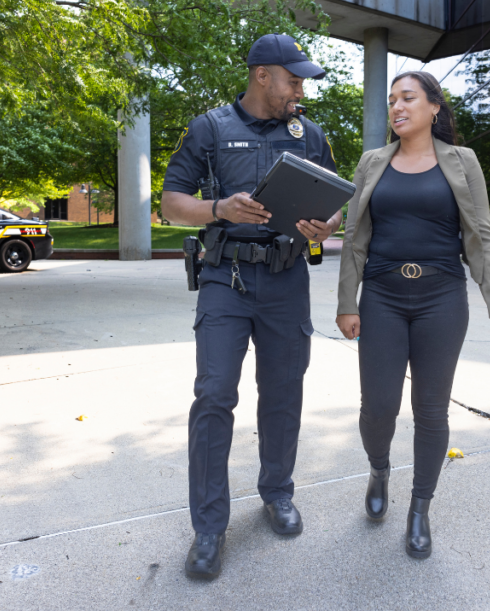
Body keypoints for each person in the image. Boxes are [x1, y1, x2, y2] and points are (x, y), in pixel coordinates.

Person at [161, 33, 343, 579]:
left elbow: (334, 206)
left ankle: (277, 493)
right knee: (214, 395)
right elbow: (172, 204)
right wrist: (219, 207)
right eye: (293, 79)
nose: (300, 88)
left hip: (288, 279)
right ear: (262, 75)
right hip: (226, 278)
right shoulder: (210, 127)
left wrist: (323, 227)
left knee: (284, 393)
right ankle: (209, 527)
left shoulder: (308, 132)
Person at [335, 70, 490, 559]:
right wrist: (346, 303)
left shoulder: (463, 162)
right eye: (392, 99)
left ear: (435, 107)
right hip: (382, 297)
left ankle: (420, 508)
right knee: (378, 407)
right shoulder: (372, 162)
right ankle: (379, 470)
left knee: (432, 411)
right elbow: (355, 239)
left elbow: (480, 236)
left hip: (441, 298)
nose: (397, 106)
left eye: (408, 98)